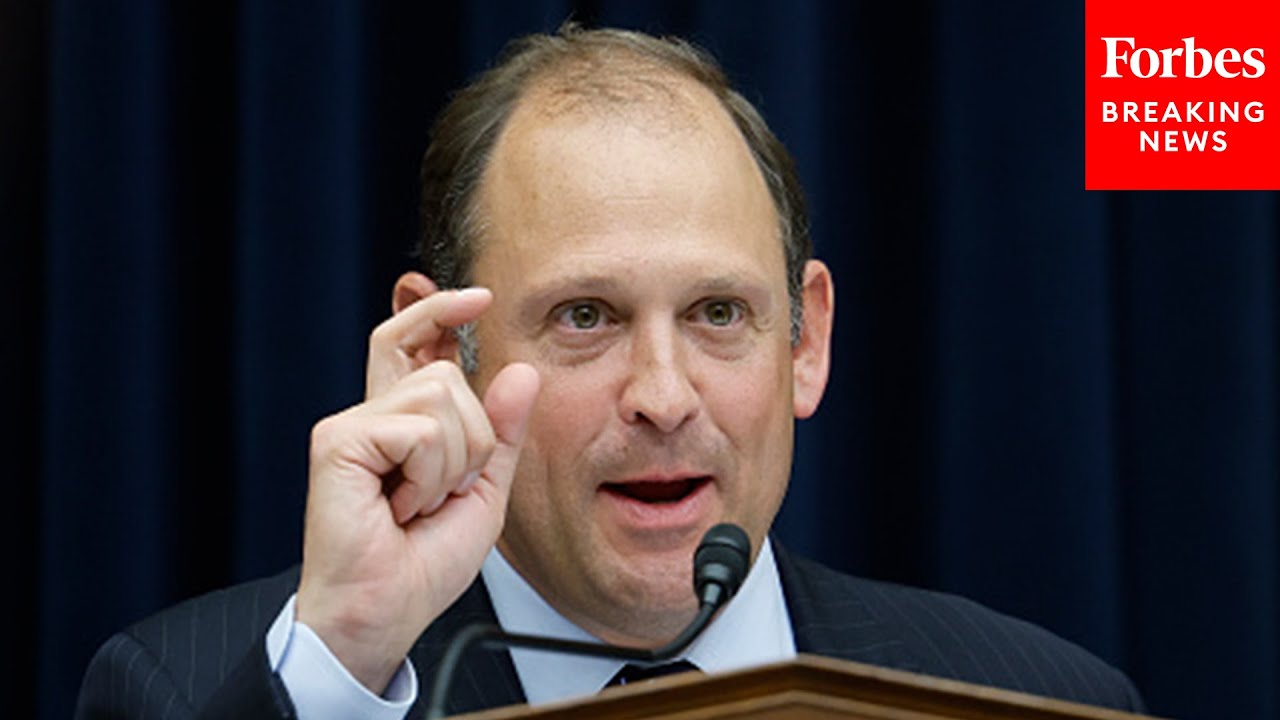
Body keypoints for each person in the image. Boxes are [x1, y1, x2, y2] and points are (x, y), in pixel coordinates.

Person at [76, 25, 1146, 719]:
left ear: (804, 341)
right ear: (442, 350)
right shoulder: (192, 689)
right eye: (585, 317)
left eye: (718, 313)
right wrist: (348, 660)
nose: (664, 397)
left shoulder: (1029, 698)